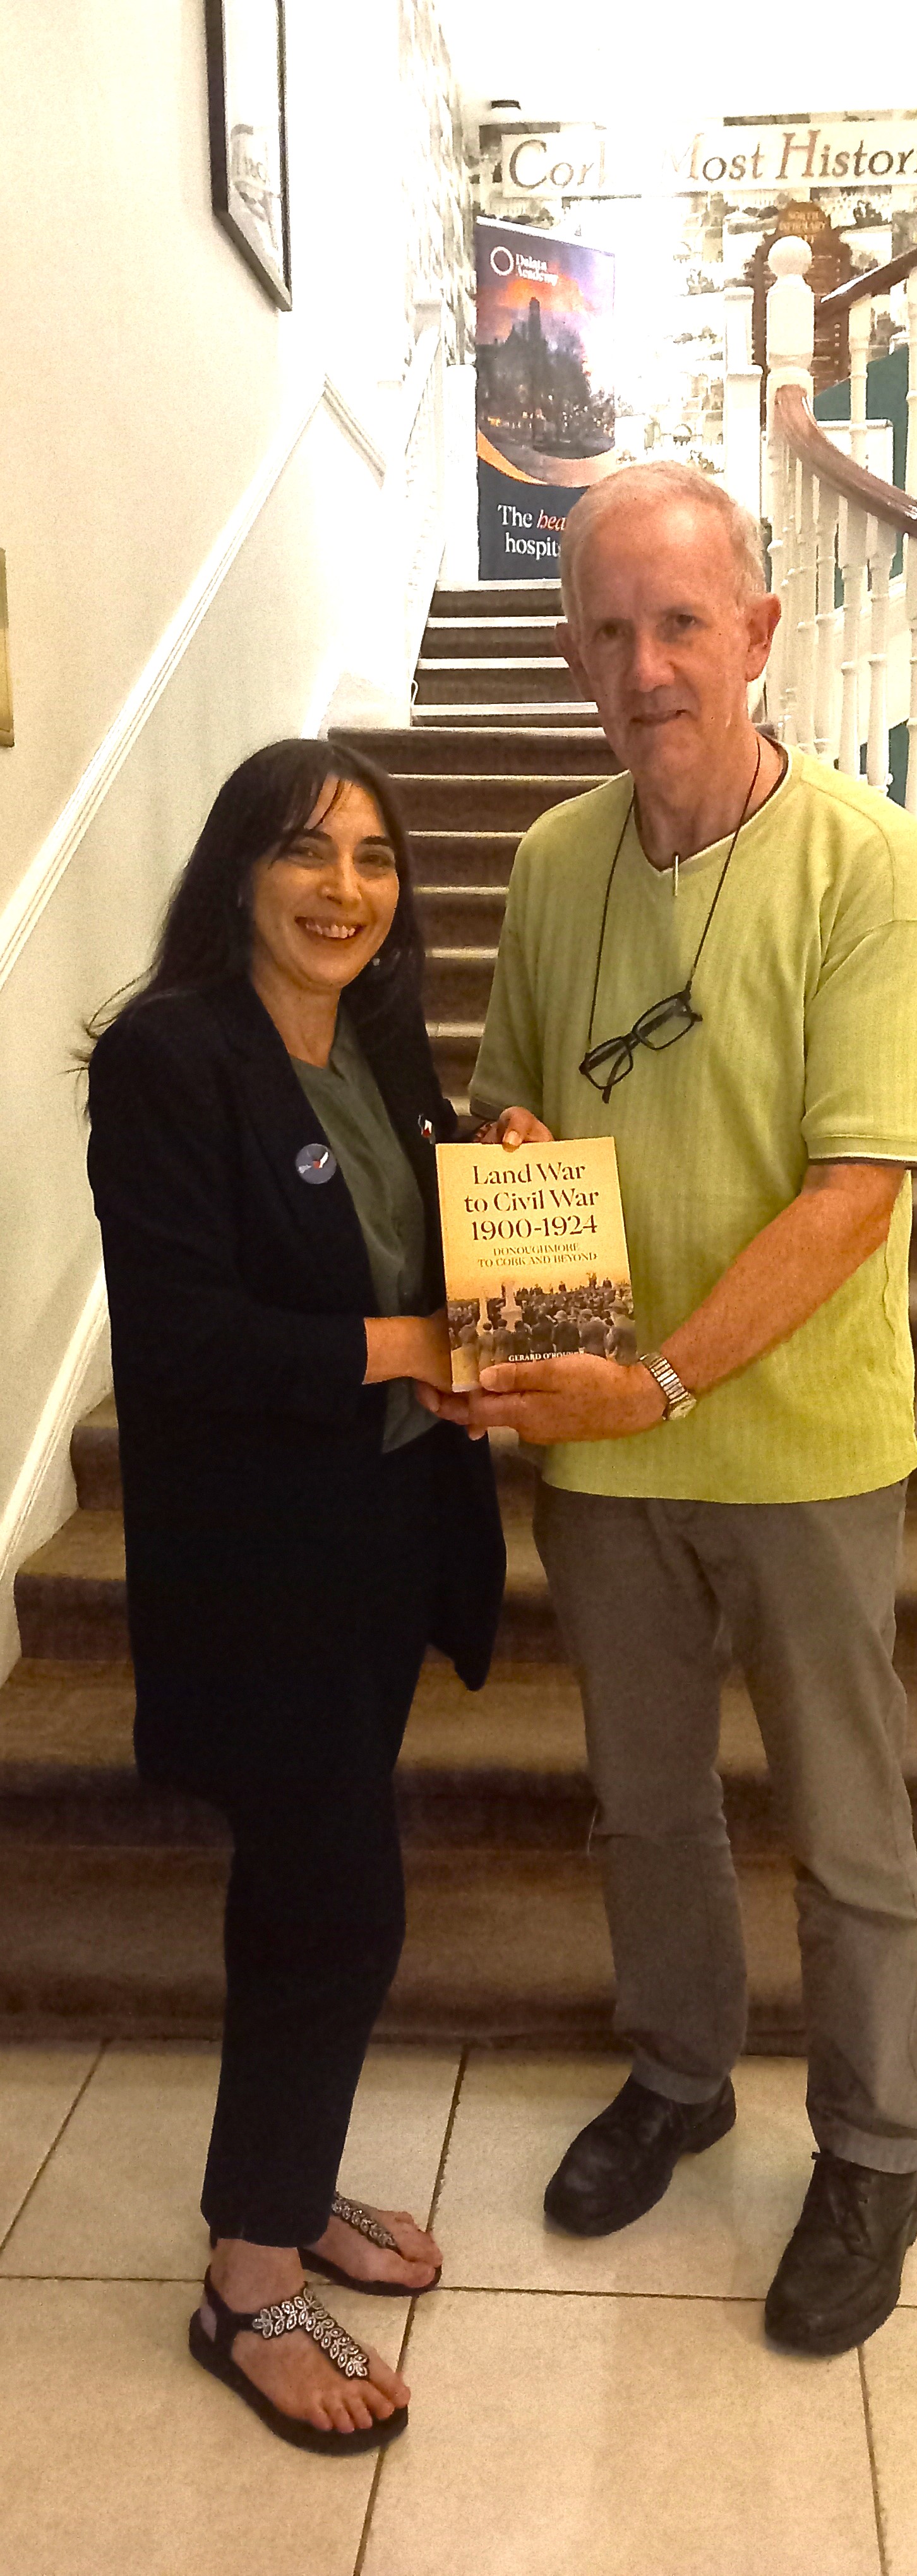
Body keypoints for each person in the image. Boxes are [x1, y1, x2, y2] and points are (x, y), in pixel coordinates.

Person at [436, 459, 917, 2358]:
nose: (646, 662)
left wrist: (660, 1374)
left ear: (752, 632)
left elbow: (856, 1186)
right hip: (599, 1447)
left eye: (681, 621)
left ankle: (873, 2148)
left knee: (844, 1824)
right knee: (642, 1808)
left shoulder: (866, 859)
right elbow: (507, 1092)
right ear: (574, 654)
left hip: (799, 1448)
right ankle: (677, 2075)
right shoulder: (555, 860)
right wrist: (512, 1174)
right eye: (609, 626)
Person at [87, 739, 505, 2452]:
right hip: (262, 1562)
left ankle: (295, 2183)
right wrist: (416, 1341)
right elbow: (181, 1337)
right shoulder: (170, 1052)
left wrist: (498, 1164)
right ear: (237, 870)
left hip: (388, 1531)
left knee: (330, 1883)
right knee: (329, 1906)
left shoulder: (383, 1042)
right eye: (306, 853)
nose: (346, 889)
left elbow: (403, 1231)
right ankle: (251, 2276)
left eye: (375, 859)